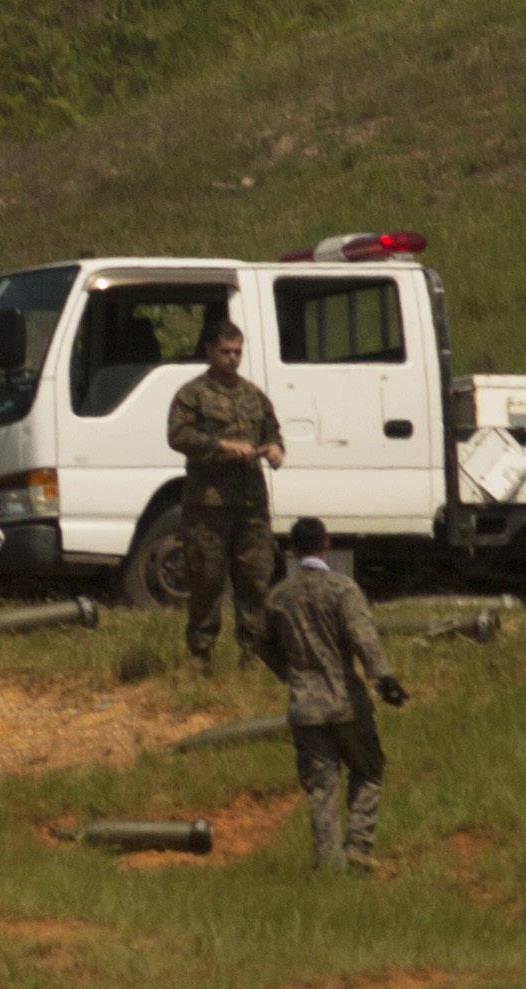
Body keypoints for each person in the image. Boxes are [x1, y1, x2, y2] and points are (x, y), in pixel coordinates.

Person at [262, 517, 407, 875]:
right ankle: (358, 845)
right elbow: (363, 637)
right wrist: (383, 679)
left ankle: (328, 862)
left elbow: (262, 644)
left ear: (293, 549)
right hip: (347, 704)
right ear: (326, 544)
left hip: (305, 708)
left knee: (321, 787)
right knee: (369, 770)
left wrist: (289, 672)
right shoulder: (343, 589)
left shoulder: (278, 597)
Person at [162, 315, 284, 671]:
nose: (233, 358)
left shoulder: (253, 395)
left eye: (238, 352)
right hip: (209, 503)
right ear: (210, 351)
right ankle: (201, 653)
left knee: (255, 578)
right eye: (226, 351)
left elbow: (272, 431)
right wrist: (221, 446)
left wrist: (275, 449)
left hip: (250, 503)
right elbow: (178, 436)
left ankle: (254, 653)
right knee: (207, 578)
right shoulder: (193, 395)